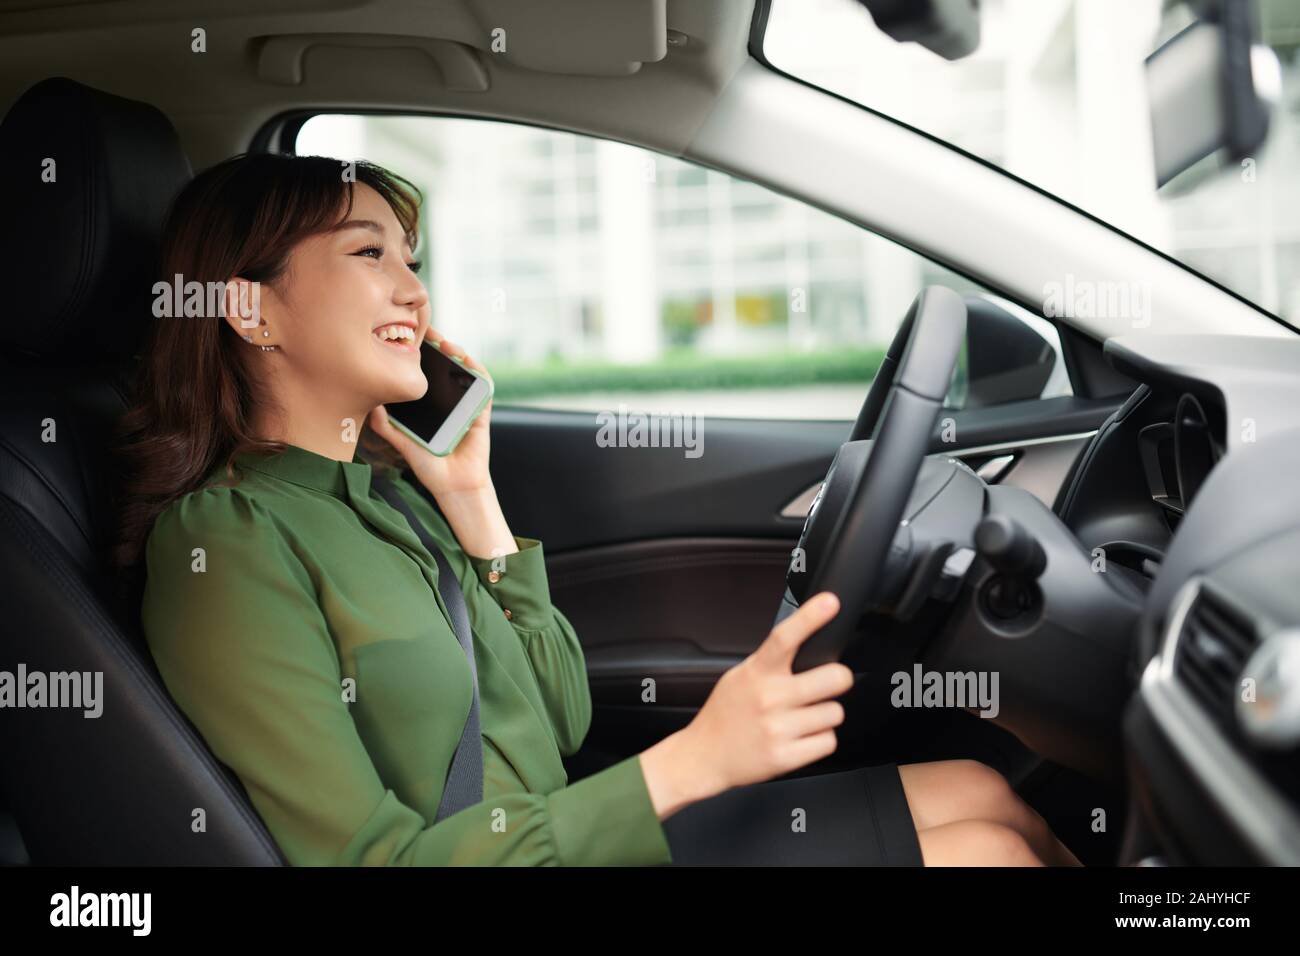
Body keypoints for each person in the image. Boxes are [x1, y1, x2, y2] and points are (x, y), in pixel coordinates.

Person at [111, 153, 1081, 867]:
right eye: (369, 253)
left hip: (562, 837)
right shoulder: (226, 541)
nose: (414, 289)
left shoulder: (386, 497)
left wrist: (470, 497)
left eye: (412, 258)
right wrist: (695, 758)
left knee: (984, 793)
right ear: (250, 310)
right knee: (984, 857)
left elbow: (558, 716)